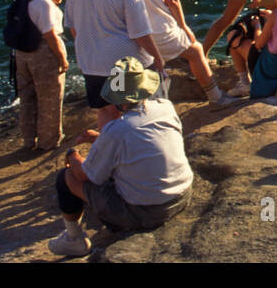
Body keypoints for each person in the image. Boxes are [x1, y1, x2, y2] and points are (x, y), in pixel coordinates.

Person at [48, 56, 193, 257]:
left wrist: (73, 156)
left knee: (66, 178)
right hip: (182, 195)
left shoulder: (116, 130)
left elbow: (85, 175)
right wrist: (100, 139)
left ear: (117, 99)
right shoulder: (165, 107)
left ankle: (74, 240)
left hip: (147, 212)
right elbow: (140, 142)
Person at [65, 0, 165, 127]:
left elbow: (72, 25)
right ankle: (131, 152)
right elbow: (140, 33)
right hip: (121, 64)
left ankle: (110, 152)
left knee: (105, 110)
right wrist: (158, 59)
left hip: (91, 62)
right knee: (130, 110)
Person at [13, 0, 69, 152]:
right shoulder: (43, 4)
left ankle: (29, 140)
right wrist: (62, 59)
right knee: (50, 99)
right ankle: (48, 143)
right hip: (43, 55)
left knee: (27, 98)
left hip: (21, 54)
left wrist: (51, 4)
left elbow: (31, 15)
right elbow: (50, 35)